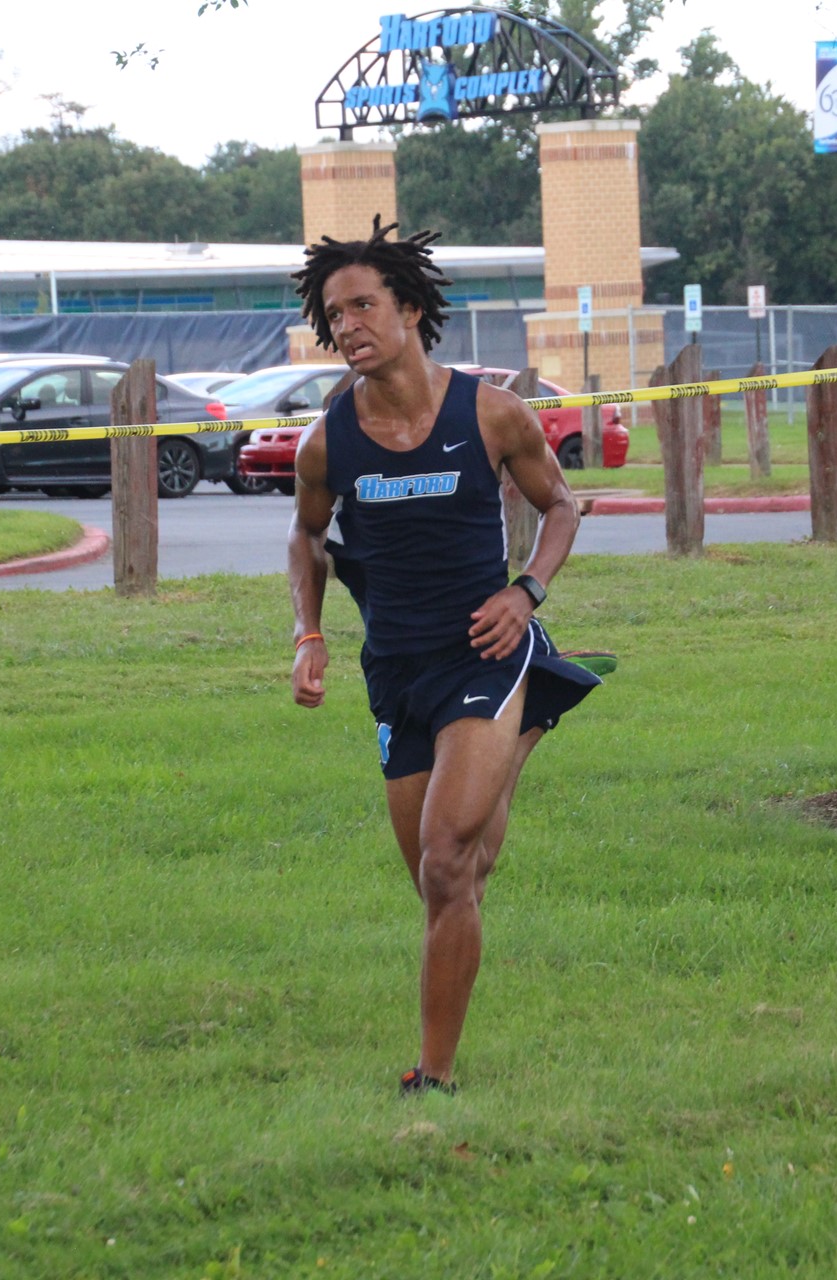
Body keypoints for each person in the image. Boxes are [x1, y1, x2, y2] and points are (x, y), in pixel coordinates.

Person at [286, 218, 601, 1093]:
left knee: (446, 859)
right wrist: (308, 634)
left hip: (484, 654)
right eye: (333, 313)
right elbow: (306, 538)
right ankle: (516, 737)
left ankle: (435, 1076)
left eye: (362, 306)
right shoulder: (328, 440)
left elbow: (563, 508)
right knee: (446, 882)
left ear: (411, 309)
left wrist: (524, 590)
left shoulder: (490, 413)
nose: (346, 325)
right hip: (395, 675)